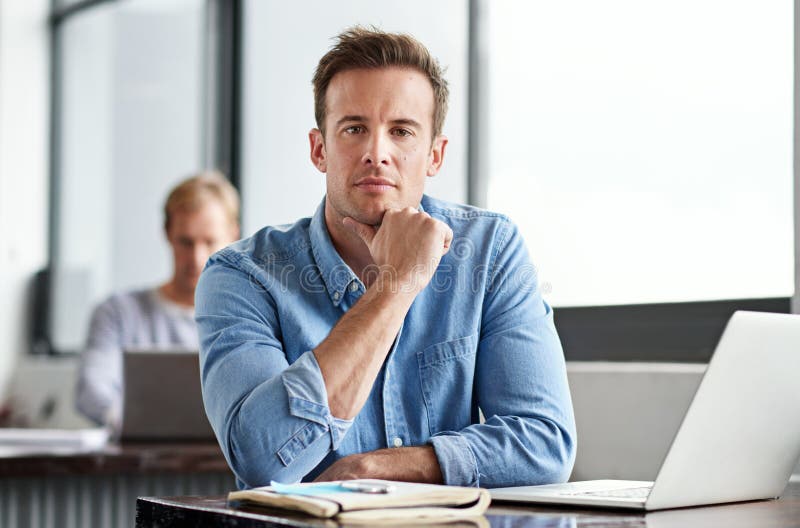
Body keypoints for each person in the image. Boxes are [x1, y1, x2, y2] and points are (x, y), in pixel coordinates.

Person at [196, 27, 576, 489]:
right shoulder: (241, 275)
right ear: (320, 149)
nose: (377, 154)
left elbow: (545, 443)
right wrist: (396, 286)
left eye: (401, 131)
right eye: (355, 129)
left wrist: (374, 470)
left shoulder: (490, 249)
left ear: (434, 156)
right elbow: (262, 460)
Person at [76, 171, 240, 431]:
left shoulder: (251, 318)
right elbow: (92, 388)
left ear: (233, 235)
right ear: (167, 234)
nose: (197, 258)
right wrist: (131, 422)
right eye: (185, 242)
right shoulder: (117, 312)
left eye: (209, 242)